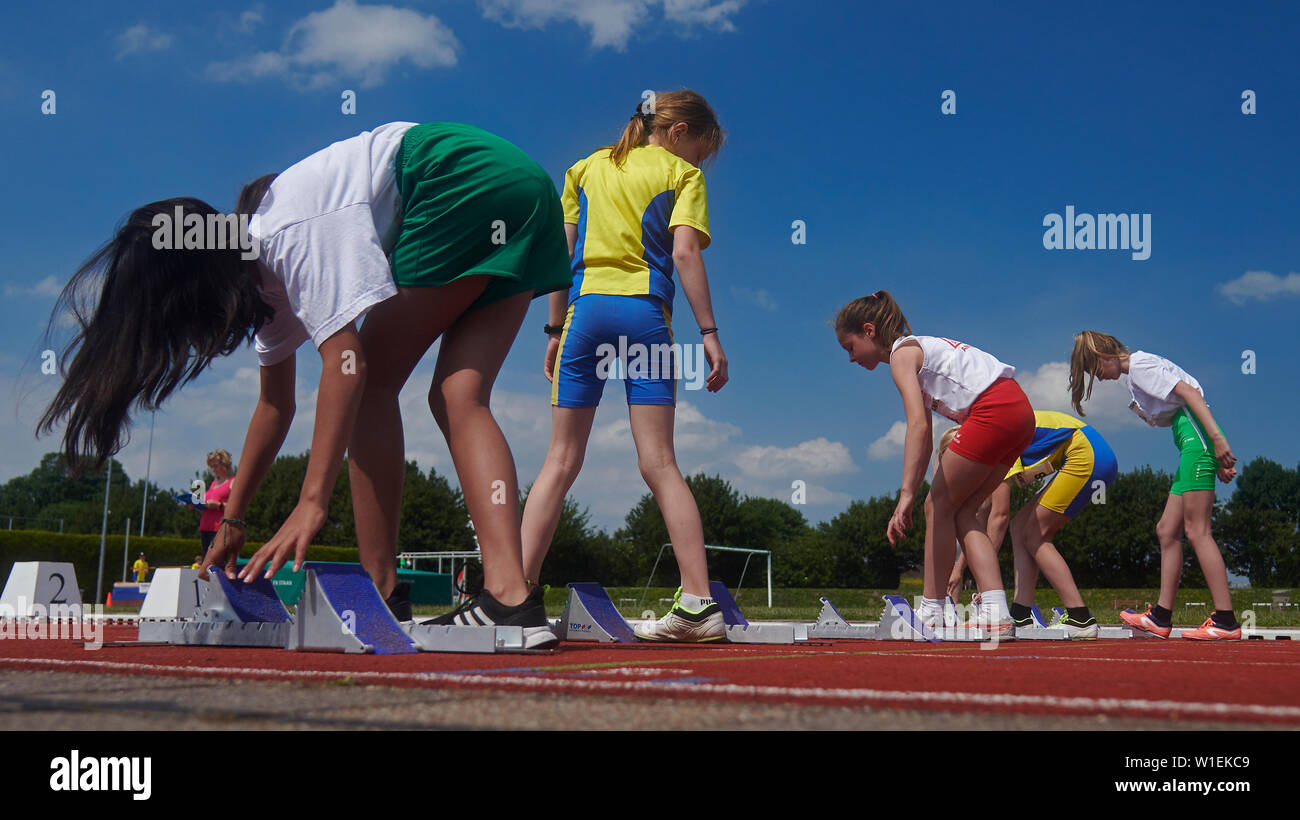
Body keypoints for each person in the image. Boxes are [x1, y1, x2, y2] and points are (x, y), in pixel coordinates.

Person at [38, 122, 572, 649]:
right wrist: (233, 519)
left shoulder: (286, 232)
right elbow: (274, 406)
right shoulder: (264, 277)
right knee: (460, 396)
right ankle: (510, 598)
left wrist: (312, 500)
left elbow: (347, 365)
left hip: (454, 177)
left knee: (372, 383)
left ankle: (381, 591)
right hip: (525, 188)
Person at [516, 90, 729, 642]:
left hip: (585, 315)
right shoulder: (681, 175)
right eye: (700, 151)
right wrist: (709, 333)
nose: (699, 163)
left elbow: (561, 258)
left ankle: (513, 594)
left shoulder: (583, 169)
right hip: (646, 316)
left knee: (560, 460)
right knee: (660, 462)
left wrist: (554, 331)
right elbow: (685, 253)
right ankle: (698, 603)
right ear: (678, 132)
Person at [835, 291, 1033, 639]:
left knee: (936, 505)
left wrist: (906, 496)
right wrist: (908, 494)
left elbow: (917, 427)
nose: (850, 358)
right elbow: (925, 440)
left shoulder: (901, 354)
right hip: (1020, 411)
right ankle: (996, 611)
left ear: (869, 331)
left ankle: (931, 611)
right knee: (963, 511)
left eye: (850, 347)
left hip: (994, 408)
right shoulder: (919, 349)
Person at [1069, 331, 1240, 640]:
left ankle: (1226, 620)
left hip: (1196, 438)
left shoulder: (1140, 366)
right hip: (1190, 440)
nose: (1099, 377)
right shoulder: (1136, 374)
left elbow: (1190, 394)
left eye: (1095, 369)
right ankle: (1160, 617)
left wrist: (1216, 442)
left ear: (1105, 354)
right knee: (1166, 529)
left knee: (1197, 531)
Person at [945, 410, 1117, 639]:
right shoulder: (991, 436)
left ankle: (1080, 618)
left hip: (1088, 454)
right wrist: (959, 570)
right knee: (1020, 527)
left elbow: (999, 516)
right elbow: (982, 514)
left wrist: (982, 578)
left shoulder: (994, 442)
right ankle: (1021, 615)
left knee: (1035, 535)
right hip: (1091, 452)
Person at [198, 449, 235, 557]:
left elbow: (237, 506)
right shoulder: (213, 483)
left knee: (217, 560)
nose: (213, 469)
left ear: (225, 464)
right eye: (211, 466)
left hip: (220, 529)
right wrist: (198, 505)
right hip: (205, 528)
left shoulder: (233, 482)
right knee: (208, 561)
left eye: (215, 466)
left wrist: (218, 505)